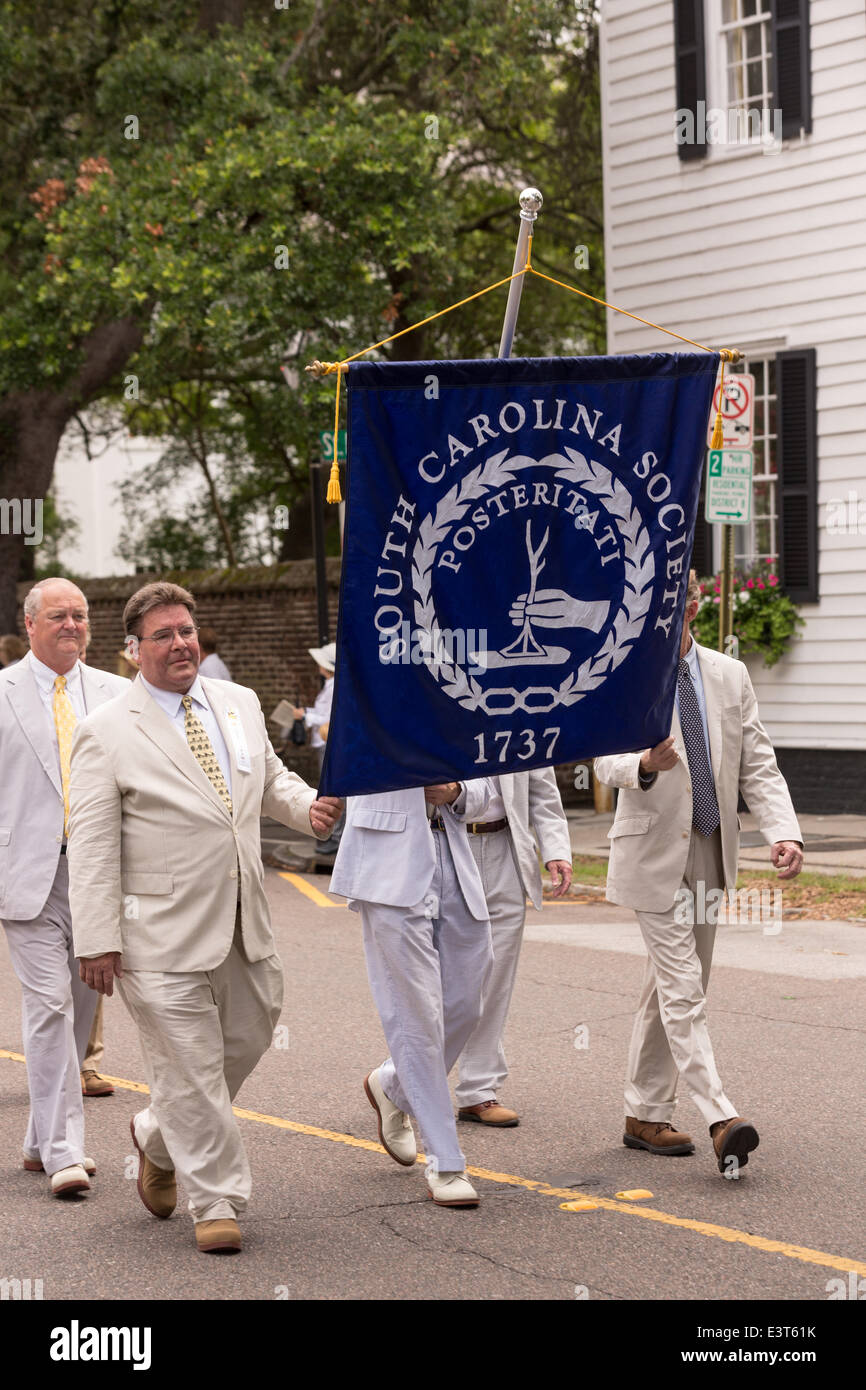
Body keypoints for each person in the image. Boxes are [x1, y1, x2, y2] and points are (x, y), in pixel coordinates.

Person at [67, 581, 341, 1253]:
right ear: (133, 653)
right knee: (190, 1063)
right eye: (162, 635)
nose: (180, 643)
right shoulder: (105, 731)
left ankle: (159, 1136)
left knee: (247, 1037)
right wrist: (97, 938)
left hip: (244, 918)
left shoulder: (239, 702)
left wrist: (308, 809)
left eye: (186, 630)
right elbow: (95, 843)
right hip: (154, 934)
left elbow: (270, 780)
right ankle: (216, 1199)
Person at [594, 569, 803, 1177]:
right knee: (682, 986)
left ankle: (643, 1113)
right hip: (651, 852)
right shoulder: (624, 670)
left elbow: (758, 763)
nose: (672, 609)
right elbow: (603, 760)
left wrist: (782, 831)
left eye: (681, 599)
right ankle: (721, 1118)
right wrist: (643, 764)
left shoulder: (730, 675)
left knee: (674, 987)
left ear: (692, 606)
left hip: (713, 849)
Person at [0, 578, 128, 1197]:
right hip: (27, 877)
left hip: (98, 876)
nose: (72, 626)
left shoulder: (118, 694)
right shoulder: (0, 694)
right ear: (30, 625)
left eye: (80, 615)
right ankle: (63, 1151)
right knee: (49, 1006)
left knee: (80, 1009)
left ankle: (35, 1139)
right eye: (59, 616)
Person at [330, 780, 494, 1207]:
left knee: (466, 1006)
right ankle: (446, 1161)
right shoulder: (370, 709)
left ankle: (394, 1086)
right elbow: (351, 762)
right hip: (388, 860)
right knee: (419, 1016)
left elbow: (492, 784)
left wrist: (457, 792)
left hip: (455, 857)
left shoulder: (464, 709)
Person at [455, 769, 573, 1127]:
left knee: (495, 979)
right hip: (447, 844)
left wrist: (556, 849)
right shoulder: (438, 710)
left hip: (505, 848)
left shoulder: (519, 713)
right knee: (444, 982)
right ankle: (402, 1080)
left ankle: (479, 1090)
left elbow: (542, 790)